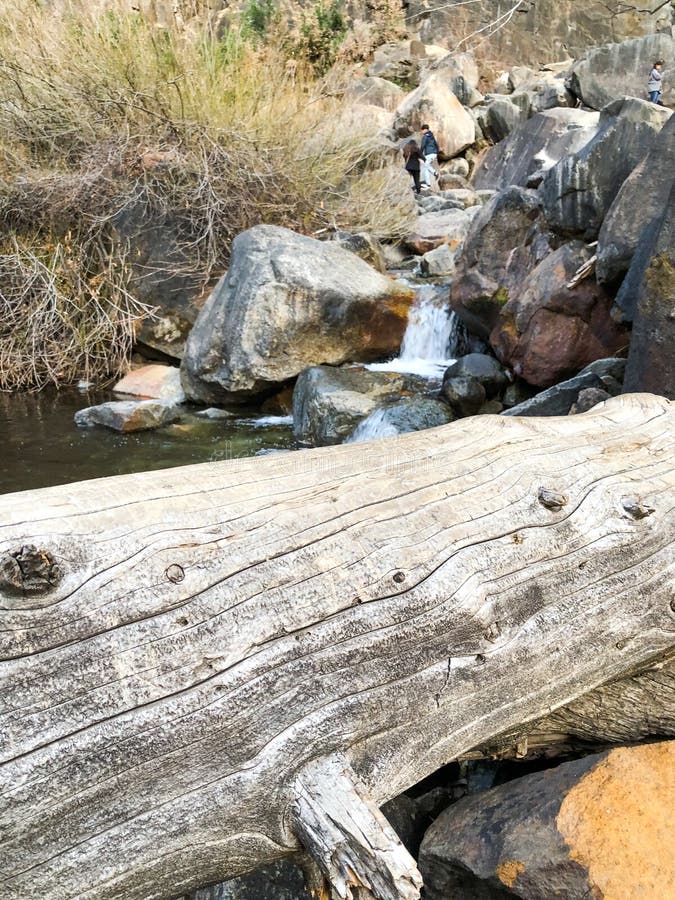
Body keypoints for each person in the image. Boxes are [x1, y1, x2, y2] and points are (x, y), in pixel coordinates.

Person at [420, 124, 440, 188]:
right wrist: (436, 152)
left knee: (425, 167)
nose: (421, 132)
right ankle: (435, 173)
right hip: (434, 154)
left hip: (429, 154)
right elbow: (436, 144)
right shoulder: (431, 136)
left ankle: (428, 185)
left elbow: (422, 146)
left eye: (422, 130)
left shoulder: (425, 136)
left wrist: (420, 154)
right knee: (427, 165)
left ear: (425, 130)